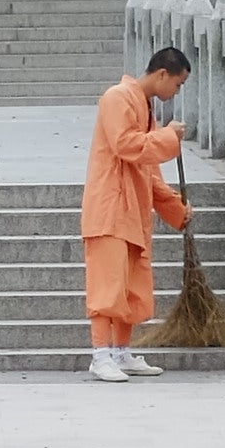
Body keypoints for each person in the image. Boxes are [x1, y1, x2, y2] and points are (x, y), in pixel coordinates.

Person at [82, 46, 192, 382]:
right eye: (178, 84)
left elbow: (150, 172)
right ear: (162, 73)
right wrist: (168, 137)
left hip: (132, 209)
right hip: (110, 206)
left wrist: (175, 209)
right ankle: (100, 354)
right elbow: (126, 145)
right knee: (108, 283)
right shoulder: (117, 97)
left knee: (129, 285)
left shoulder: (145, 109)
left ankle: (121, 352)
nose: (176, 91)